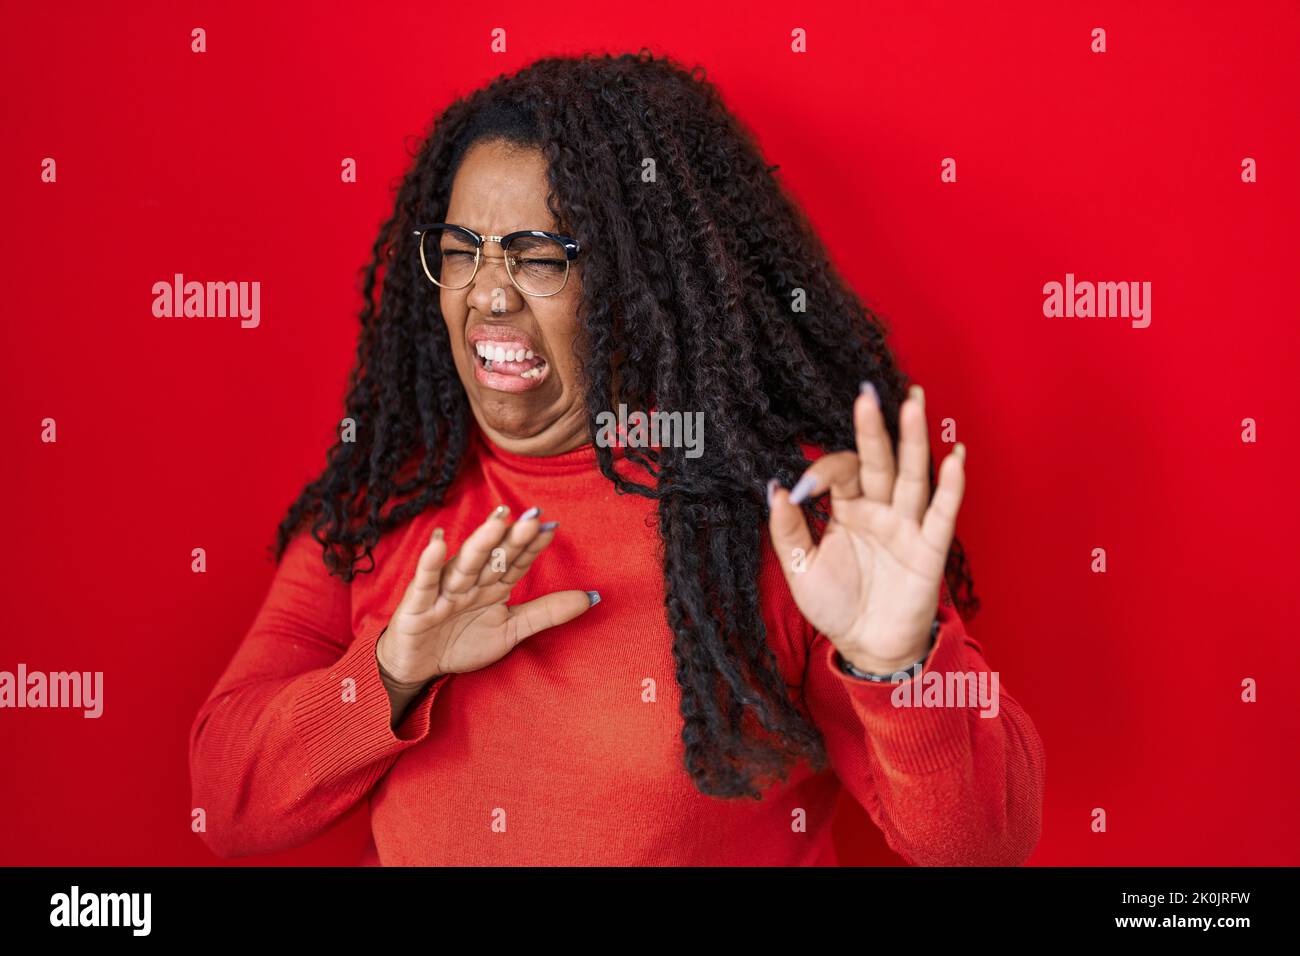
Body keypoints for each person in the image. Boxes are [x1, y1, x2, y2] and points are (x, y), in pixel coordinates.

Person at [188, 49, 1044, 866]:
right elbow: (225, 802)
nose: (487, 292)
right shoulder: (385, 502)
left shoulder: (787, 518)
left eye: (536, 257)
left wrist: (897, 665)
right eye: (460, 251)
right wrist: (389, 674)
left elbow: (980, 844)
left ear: (641, 284)